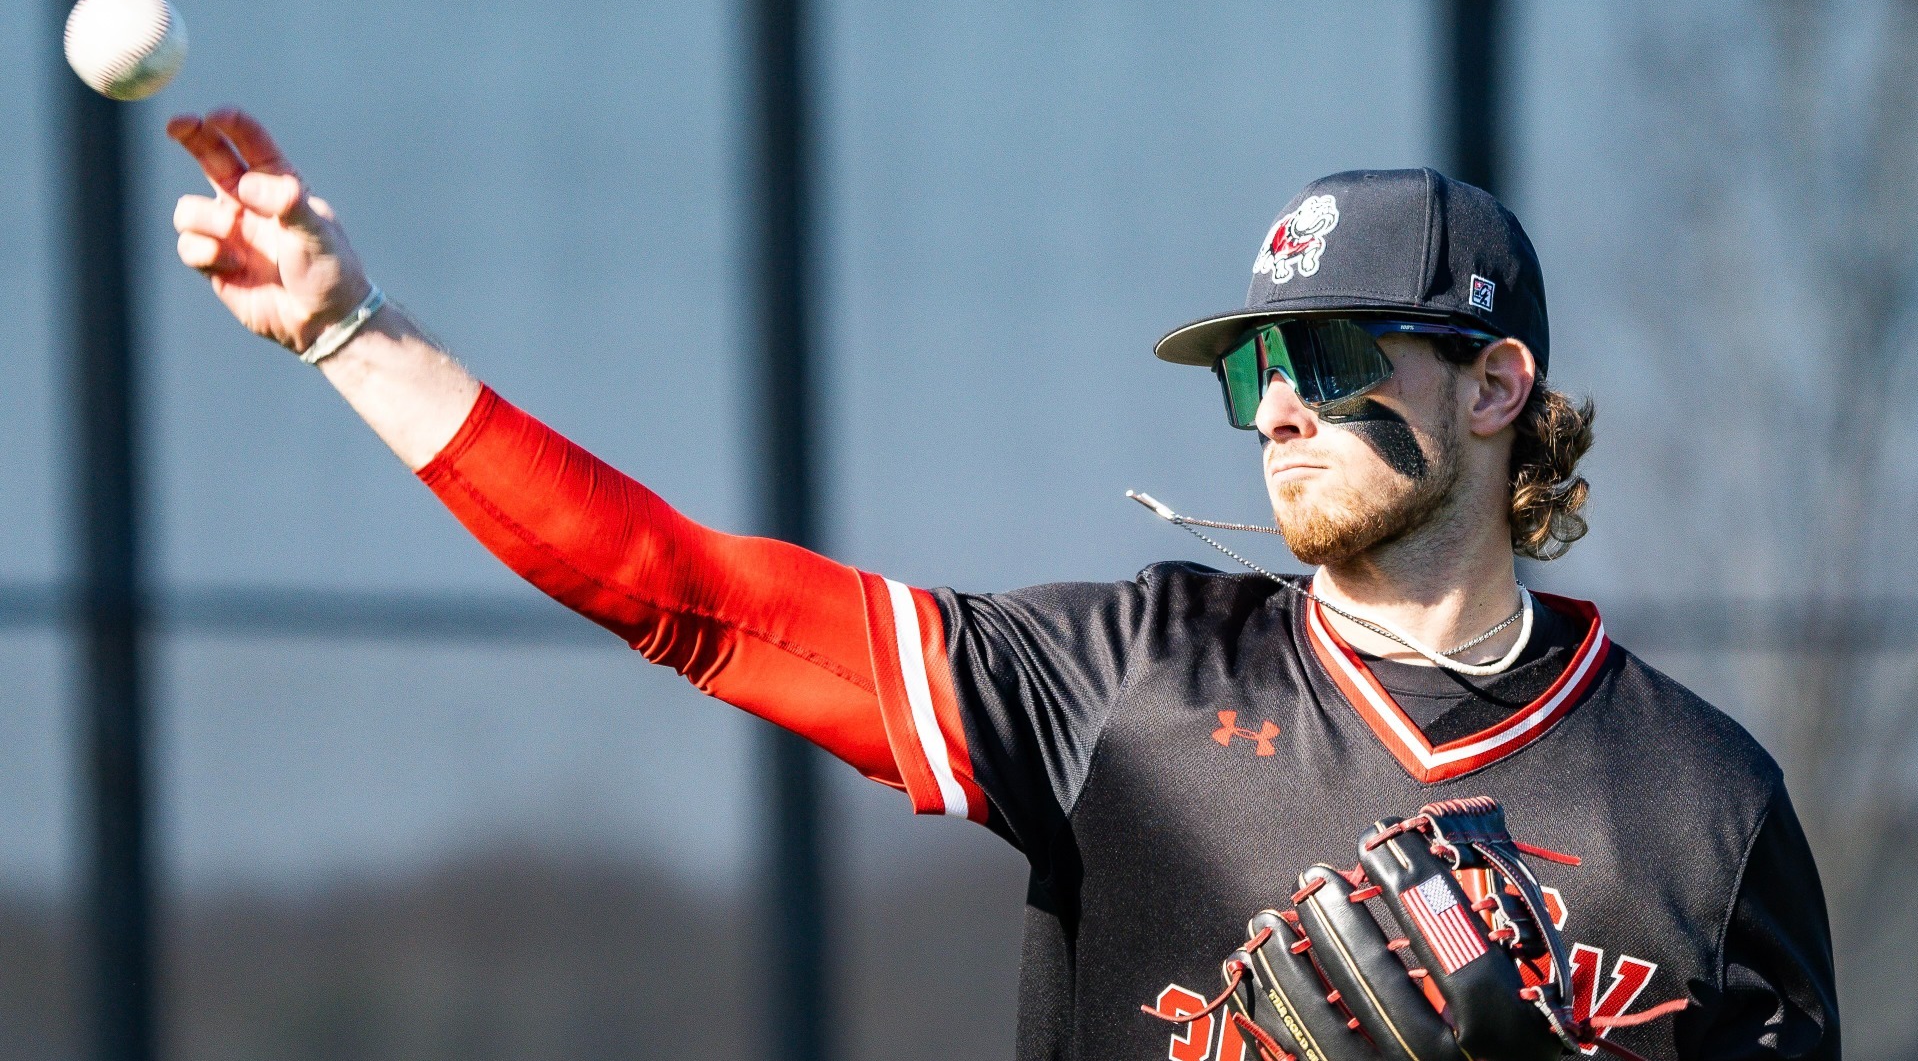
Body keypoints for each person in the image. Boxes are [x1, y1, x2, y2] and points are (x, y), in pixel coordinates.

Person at [167, 109, 1837, 1061]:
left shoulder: (1699, 809)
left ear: (1492, 386)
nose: (1268, 403)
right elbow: (674, 589)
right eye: (1245, 361)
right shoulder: (1131, 681)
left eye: (1324, 353)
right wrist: (345, 333)